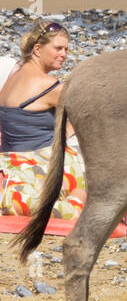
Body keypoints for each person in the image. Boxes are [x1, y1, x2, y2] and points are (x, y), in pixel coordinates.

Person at [0, 21, 84, 223]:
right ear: (37, 49)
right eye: (58, 48)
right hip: (39, 161)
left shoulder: (14, 74)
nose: (64, 54)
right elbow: (90, 120)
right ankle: (80, 196)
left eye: (66, 49)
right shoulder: (51, 87)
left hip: (8, 161)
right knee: (72, 209)